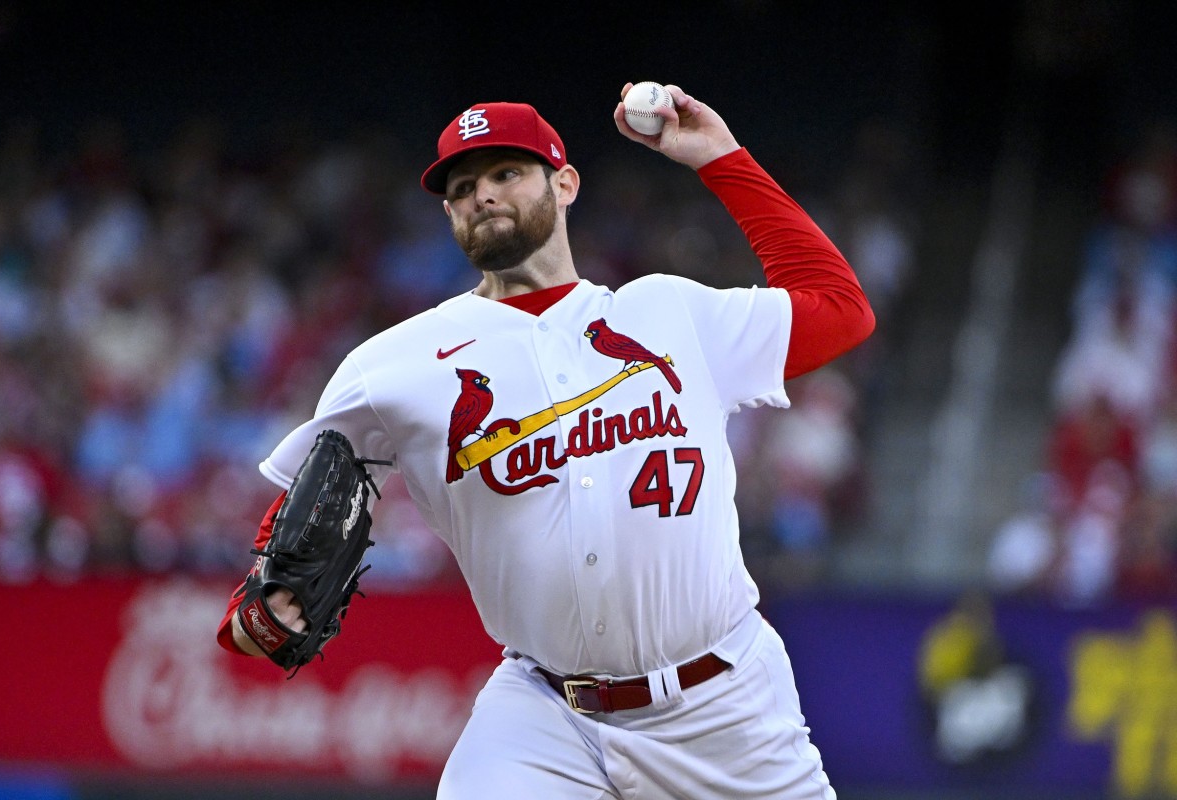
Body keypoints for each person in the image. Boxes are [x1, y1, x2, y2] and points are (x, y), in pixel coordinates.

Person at [217, 82, 875, 799]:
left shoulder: (669, 312)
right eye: (463, 186)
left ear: (564, 184)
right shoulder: (395, 367)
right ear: (447, 213)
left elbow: (841, 309)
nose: (484, 194)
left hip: (723, 703)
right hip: (545, 712)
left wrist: (721, 157)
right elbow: (312, 498)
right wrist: (258, 604)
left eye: (507, 173)